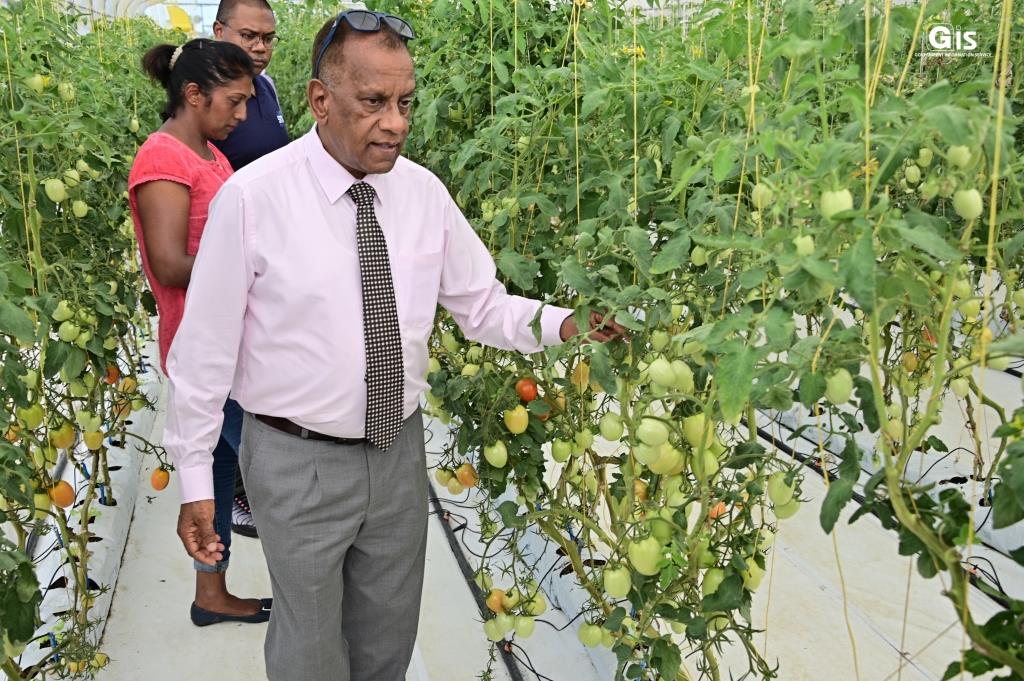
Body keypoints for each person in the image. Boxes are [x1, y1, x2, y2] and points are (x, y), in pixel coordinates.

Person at [163, 10, 625, 680]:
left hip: (395, 449)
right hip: (296, 461)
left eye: (405, 102)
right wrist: (196, 483)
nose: (397, 123)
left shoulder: (423, 194)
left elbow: (482, 307)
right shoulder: (254, 199)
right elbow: (202, 355)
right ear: (321, 101)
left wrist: (567, 324)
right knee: (310, 648)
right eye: (374, 102)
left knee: (386, 640)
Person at [128, 38, 271, 627]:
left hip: (229, 340)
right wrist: (259, 269)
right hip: (203, 346)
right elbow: (166, 263)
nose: (242, 114)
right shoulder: (163, 158)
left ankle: (210, 593)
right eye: (234, 101)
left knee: (212, 468)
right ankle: (309, 589)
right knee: (269, 467)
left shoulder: (208, 152)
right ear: (193, 93)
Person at [211, 0, 291, 540]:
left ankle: (212, 577)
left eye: (268, 37)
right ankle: (264, 493)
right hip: (230, 273)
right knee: (237, 402)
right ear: (218, 32)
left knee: (233, 409)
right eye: (248, 35)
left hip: (266, 269)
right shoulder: (210, 101)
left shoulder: (266, 91)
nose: (260, 46)